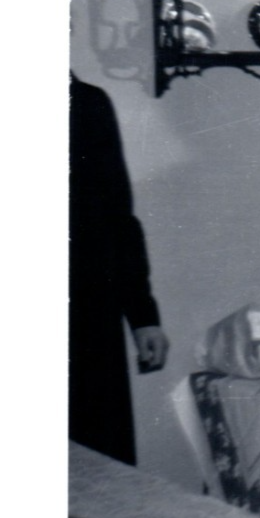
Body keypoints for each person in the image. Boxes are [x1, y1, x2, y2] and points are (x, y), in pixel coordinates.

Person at [70, 74, 169, 465]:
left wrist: (143, 316)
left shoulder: (88, 104)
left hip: (90, 315)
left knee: (102, 465)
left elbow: (118, 220)